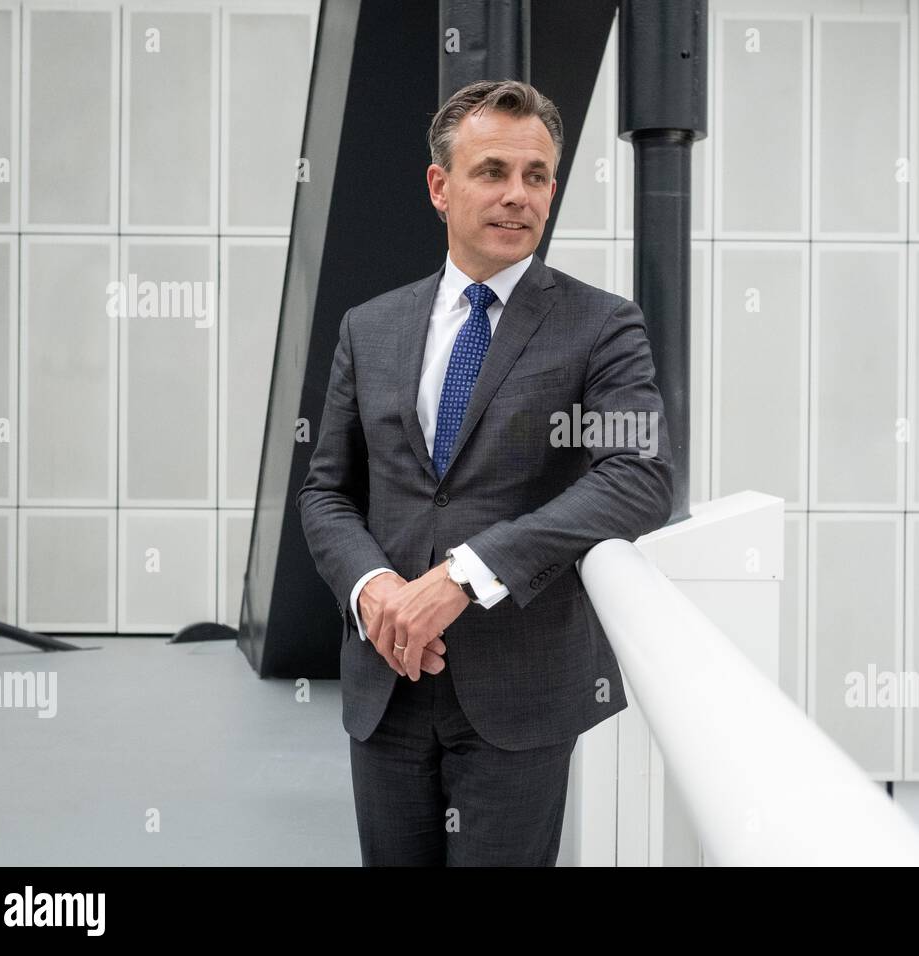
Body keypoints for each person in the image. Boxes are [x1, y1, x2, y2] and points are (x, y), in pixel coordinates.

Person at [296, 79, 674, 865]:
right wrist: (378, 594)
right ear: (440, 186)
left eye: (536, 176)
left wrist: (465, 574)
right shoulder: (370, 329)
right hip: (387, 676)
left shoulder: (602, 326)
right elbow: (328, 491)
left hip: (520, 688)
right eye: (493, 171)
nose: (518, 195)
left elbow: (638, 477)